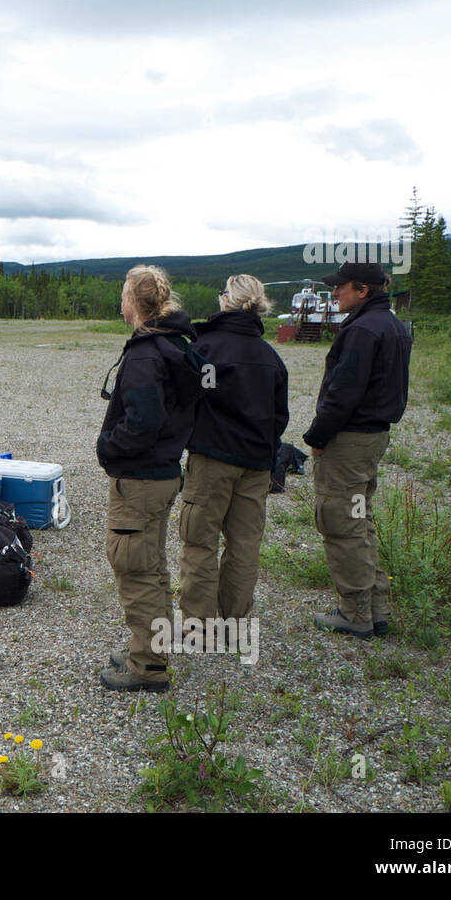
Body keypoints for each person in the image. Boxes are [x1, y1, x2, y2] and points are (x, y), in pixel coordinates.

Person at [97, 265, 203, 692]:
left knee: (135, 569)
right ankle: (150, 646)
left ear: (133, 302)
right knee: (152, 567)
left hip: (140, 480)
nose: (121, 304)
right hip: (162, 475)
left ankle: (147, 667)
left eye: (124, 295)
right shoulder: (175, 345)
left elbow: (144, 423)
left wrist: (108, 447)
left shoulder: (145, 354)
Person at [303, 261, 411, 639]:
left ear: (362, 289)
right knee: (360, 520)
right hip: (373, 438)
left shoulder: (363, 329)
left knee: (341, 522)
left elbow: (343, 393)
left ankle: (355, 613)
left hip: (348, 441)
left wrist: (317, 436)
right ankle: (376, 609)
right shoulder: (393, 325)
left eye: (341, 287)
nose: (335, 293)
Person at [178, 275, 289, 639]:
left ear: (227, 301)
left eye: (222, 293)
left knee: (200, 542)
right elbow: (279, 417)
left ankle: (198, 624)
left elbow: (184, 400)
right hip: (255, 465)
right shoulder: (270, 356)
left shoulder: (205, 348)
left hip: (211, 460)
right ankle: (235, 624)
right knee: (244, 546)